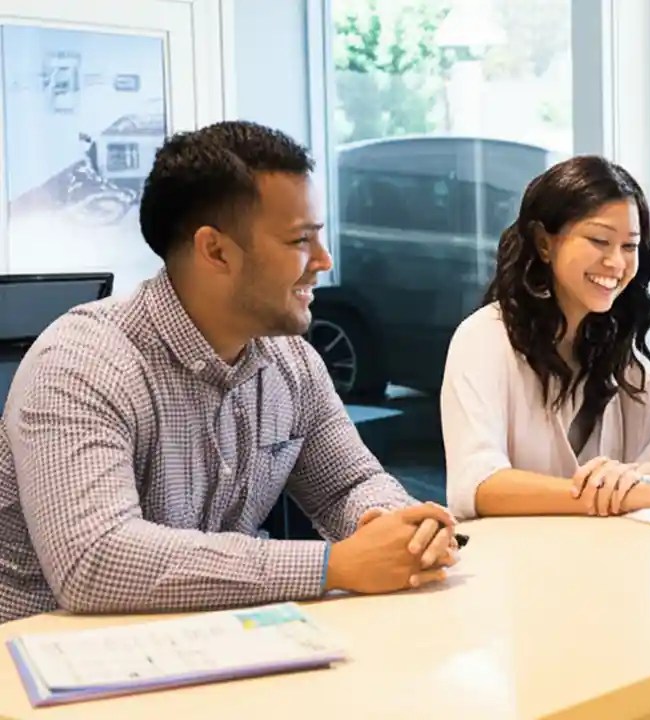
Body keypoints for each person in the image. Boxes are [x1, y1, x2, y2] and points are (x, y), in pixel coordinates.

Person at [0, 120, 459, 625]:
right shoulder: (82, 363)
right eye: (299, 241)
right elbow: (95, 559)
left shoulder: (292, 363)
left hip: (207, 644)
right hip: (48, 671)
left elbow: (348, 485)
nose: (323, 261)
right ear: (215, 251)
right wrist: (333, 566)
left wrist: (401, 528)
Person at [442, 155, 650, 519]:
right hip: (512, 564)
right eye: (599, 240)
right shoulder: (485, 338)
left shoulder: (609, 339)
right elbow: (479, 486)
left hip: (597, 557)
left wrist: (642, 477)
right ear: (544, 243)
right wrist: (628, 497)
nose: (617, 263)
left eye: (629, 246)